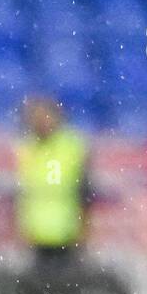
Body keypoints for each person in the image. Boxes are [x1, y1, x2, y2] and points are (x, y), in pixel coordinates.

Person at [15, 96, 90, 269]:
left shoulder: (72, 147)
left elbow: (84, 191)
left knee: (67, 287)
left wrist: (84, 227)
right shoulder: (26, 148)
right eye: (37, 117)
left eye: (46, 116)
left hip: (67, 233)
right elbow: (22, 192)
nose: (42, 122)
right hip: (35, 235)